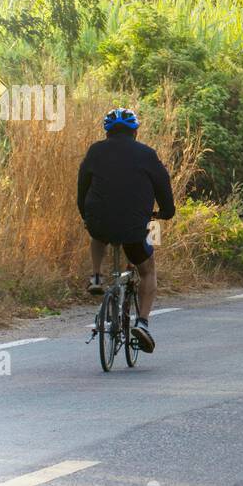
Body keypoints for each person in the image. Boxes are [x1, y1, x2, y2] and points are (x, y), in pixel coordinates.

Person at [77, 108, 175, 353]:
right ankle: (142, 323)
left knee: (97, 232)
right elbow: (163, 186)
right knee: (147, 270)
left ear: (107, 132)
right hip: (133, 228)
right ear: (135, 131)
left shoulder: (95, 151)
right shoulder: (146, 154)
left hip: (99, 222)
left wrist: (86, 215)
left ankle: (97, 276)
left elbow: (82, 187)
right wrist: (165, 212)